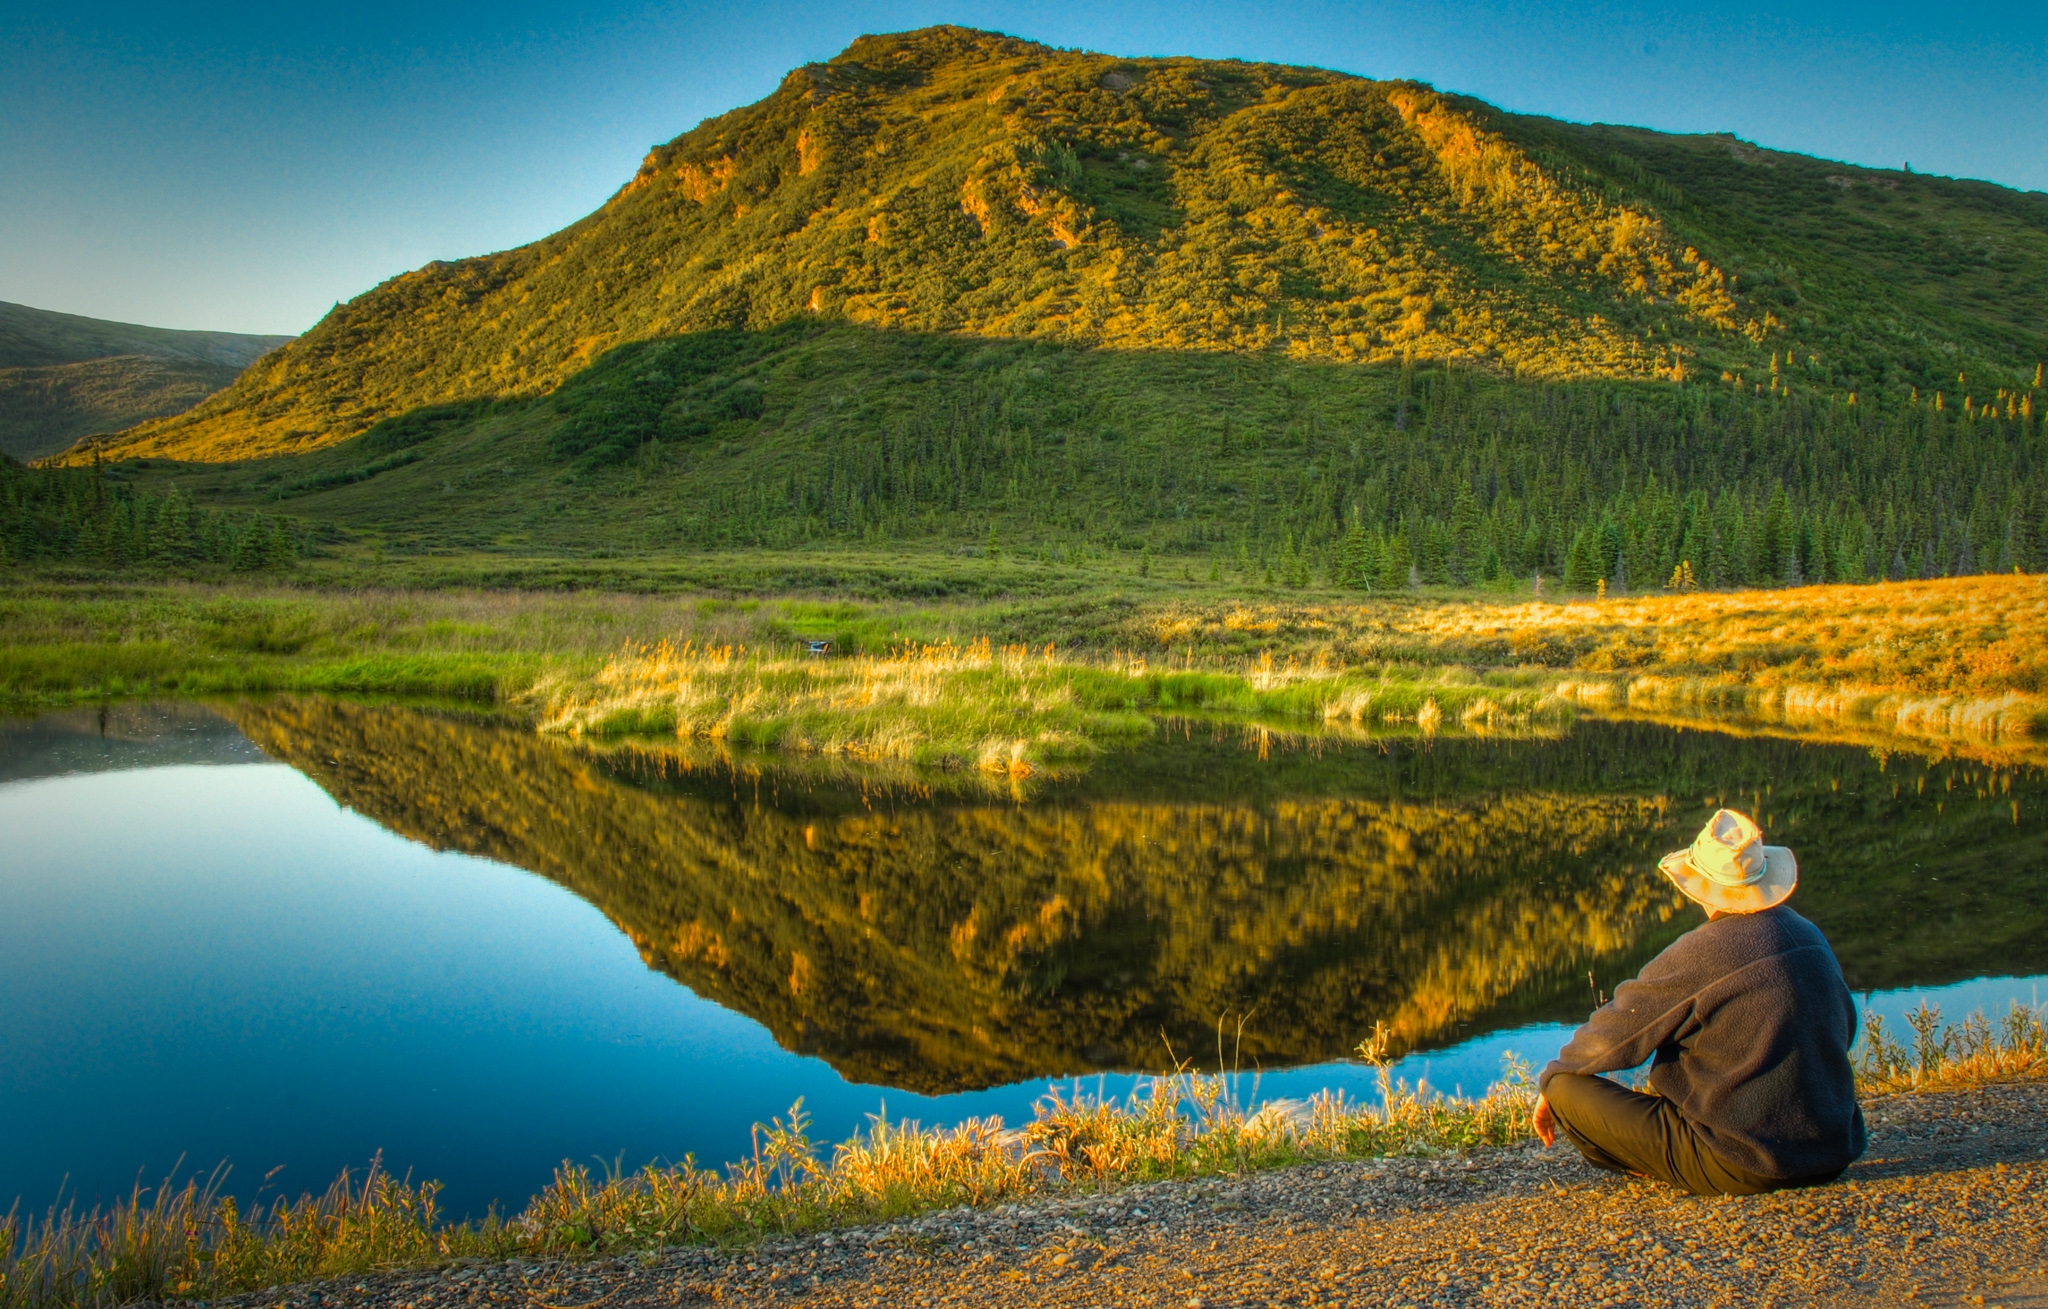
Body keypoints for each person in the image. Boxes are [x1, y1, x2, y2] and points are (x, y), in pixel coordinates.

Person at [1532, 808, 1866, 1195]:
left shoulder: (1702, 950)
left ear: (1700, 884)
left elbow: (1616, 1032)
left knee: (1565, 1089)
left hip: (1742, 1162)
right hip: (1832, 1150)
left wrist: (1551, 1079)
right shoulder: (1807, 933)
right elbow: (1845, 1026)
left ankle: (1663, 1166)